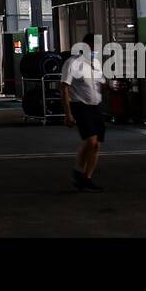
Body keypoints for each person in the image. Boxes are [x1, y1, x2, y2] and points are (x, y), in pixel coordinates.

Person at [61, 32, 105, 192]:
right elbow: (64, 87)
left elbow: (100, 83)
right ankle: (78, 172)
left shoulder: (96, 63)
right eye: (94, 47)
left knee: (95, 146)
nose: (96, 50)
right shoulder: (72, 63)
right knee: (91, 141)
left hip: (95, 106)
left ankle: (86, 177)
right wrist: (68, 114)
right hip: (80, 106)